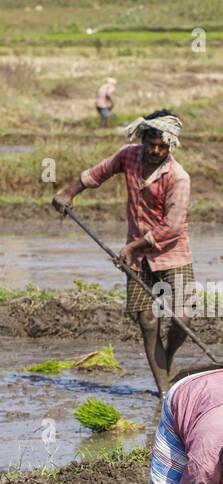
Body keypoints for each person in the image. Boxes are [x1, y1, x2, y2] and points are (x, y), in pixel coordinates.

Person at [52, 109, 194, 394]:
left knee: (183, 316)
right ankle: (164, 388)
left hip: (171, 252)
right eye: (151, 143)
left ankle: (168, 357)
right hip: (138, 256)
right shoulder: (128, 156)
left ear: (171, 146)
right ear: (142, 139)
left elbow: (173, 227)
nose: (155, 150)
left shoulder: (178, 177)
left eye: (162, 146)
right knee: (147, 319)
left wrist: (132, 246)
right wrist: (69, 193)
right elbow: (97, 173)